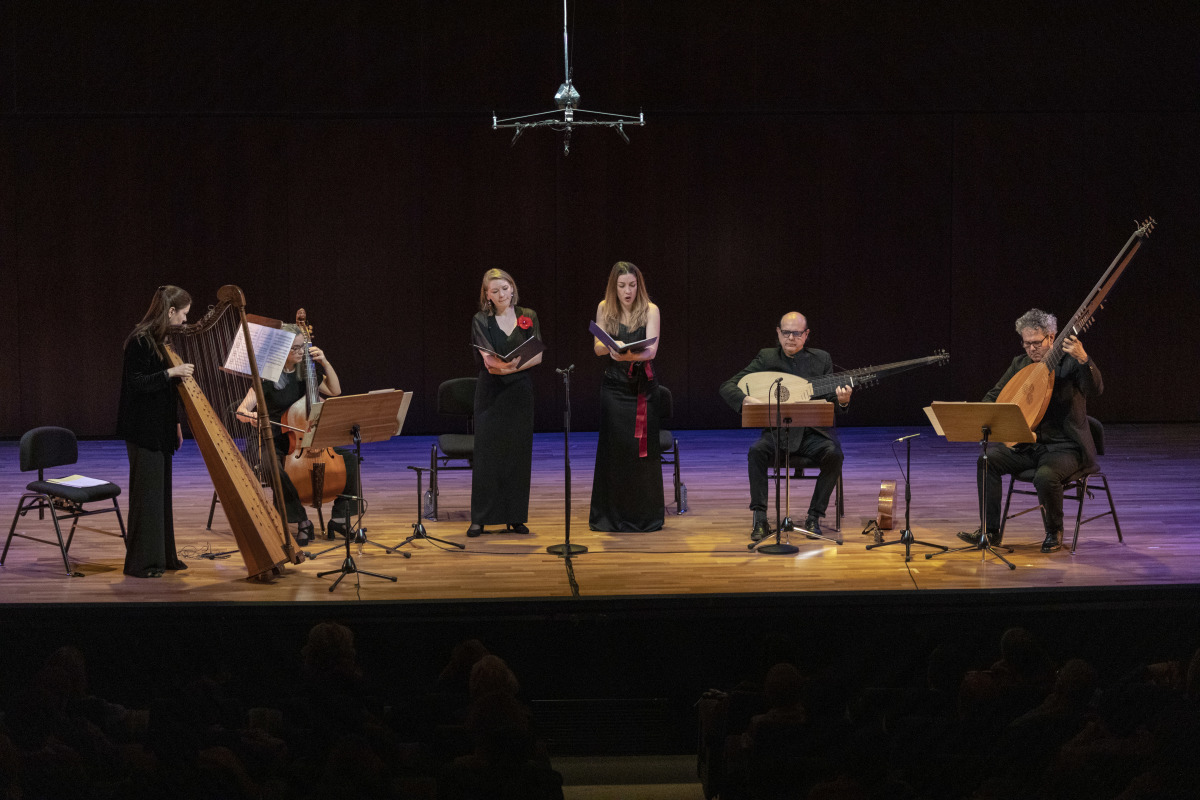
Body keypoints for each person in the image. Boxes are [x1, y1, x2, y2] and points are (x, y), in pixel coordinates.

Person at [958, 308, 1102, 553]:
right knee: (987, 461)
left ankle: (1053, 531)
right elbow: (996, 395)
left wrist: (1084, 359)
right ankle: (990, 532)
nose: (1032, 349)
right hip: (1028, 444)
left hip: (1065, 447)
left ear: (1051, 338)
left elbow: (1095, 388)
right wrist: (976, 412)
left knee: (1044, 476)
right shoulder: (1020, 364)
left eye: (1036, 343)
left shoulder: (1070, 363)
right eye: (1026, 344)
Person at [719, 312, 852, 541]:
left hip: (813, 435)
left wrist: (843, 401)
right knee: (756, 451)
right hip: (778, 435)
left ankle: (814, 516)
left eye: (797, 333)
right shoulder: (766, 358)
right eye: (786, 332)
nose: (791, 338)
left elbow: (831, 401)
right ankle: (760, 519)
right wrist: (746, 400)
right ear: (778, 333)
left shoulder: (821, 359)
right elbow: (728, 386)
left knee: (835, 454)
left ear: (806, 334)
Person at [235, 325, 359, 543]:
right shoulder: (266, 378)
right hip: (273, 439)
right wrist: (249, 415)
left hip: (304, 440)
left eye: (303, 347)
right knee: (271, 466)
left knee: (349, 459)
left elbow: (335, 391)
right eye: (296, 348)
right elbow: (241, 411)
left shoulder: (306, 373)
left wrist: (325, 363)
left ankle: (340, 520)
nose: (302, 352)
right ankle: (302, 521)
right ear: (281, 349)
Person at [117, 284, 194, 578]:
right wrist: (171, 373)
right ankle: (141, 564)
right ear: (171, 311)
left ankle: (163, 557)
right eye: (184, 314)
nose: (186, 320)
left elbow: (165, 393)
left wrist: (175, 423)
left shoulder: (160, 340)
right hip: (142, 429)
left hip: (160, 428)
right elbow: (136, 384)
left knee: (160, 496)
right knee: (146, 498)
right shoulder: (140, 341)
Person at [589, 262, 664, 532]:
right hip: (614, 387)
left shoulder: (650, 310)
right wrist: (610, 349)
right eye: (622, 286)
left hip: (641, 387)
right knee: (615, 450)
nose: (627, 291)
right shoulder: (604, 307)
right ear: (614, 287)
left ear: (638, 285)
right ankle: (611, 516)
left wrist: (627, 354)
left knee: (640, 452)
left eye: (632, 285)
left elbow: (652, 350)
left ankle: (644, 516)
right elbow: (598, 346)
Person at [468, 269, 543, 537]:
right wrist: (508, 368)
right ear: (487, 295)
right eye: (495, 290)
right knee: (488, 455)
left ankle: (515, 517)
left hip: (520, 394)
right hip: (491, 393)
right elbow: (489, 363)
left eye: (505, 288)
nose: (502, 294)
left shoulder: (528, 316)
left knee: (518, 454)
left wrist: (510, 368)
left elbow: (537, 356)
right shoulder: (481, 319)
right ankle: (480, 518)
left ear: (513, 287)